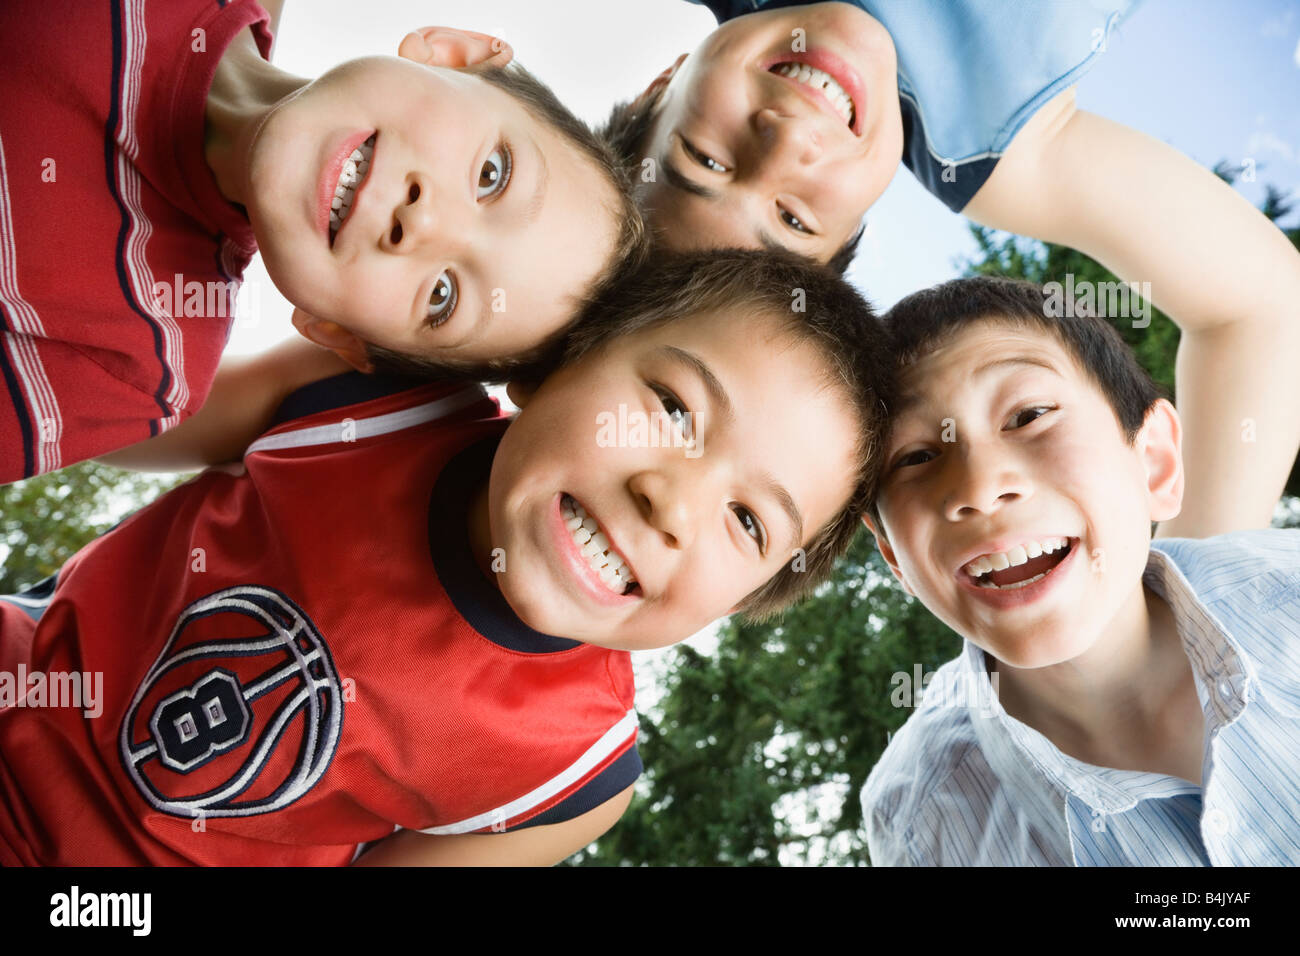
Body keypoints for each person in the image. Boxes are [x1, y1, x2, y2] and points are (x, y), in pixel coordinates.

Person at [0, 249, 890, 866]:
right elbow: (94, 415)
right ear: (552, 363)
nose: (673, 499)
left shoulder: (573, 774)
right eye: (672, 407)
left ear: (741, 601)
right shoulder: (374, 393)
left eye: (747, 521)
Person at [601, 0, 1300, 540]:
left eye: (704, 160)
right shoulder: (997, 153)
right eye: (794, 221)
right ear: (853, 230)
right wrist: (1190, 623)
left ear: (658, 87)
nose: (789, 139)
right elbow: (1260, 307)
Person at [0, 0, 643, 485]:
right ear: (453, 54)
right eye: (492, 174)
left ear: (337, 332)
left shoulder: (141, 366)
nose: (421, 225)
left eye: (442, 296)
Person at [859, 276, 1300, 865]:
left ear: (1155, 464)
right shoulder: (917, 822)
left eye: (1029, 415)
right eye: (915, 457)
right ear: (895, 558)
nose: (981, 488)